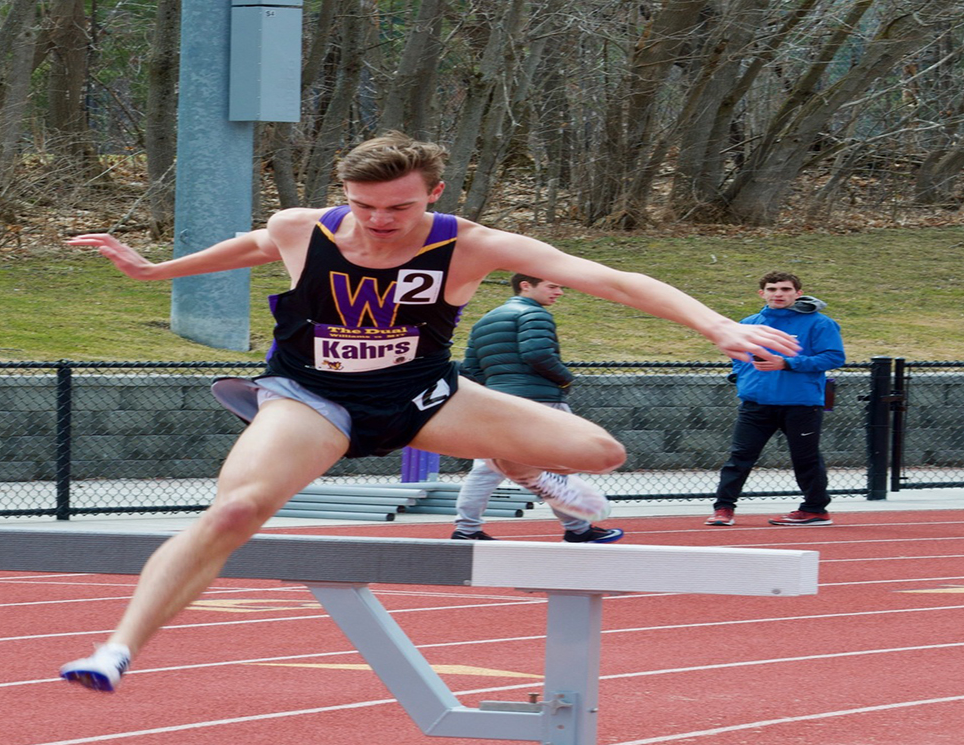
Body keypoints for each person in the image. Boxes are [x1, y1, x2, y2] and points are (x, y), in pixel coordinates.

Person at [60, 133, 798, 693]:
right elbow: (254, 243)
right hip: (312, 400)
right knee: (234, 512)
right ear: (342, 194)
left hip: (425, 397)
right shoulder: (302, 228)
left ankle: (517, 467)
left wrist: (718, 327)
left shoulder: (471, 246)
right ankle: (116, 649)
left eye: (400, 207)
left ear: (434, 195)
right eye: (364, 205)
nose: (380, 221)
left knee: (600, 453)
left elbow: (613, 278)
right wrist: (157, 269)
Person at [452, 275, 624, 544]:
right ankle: (578, 530)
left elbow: (470, 368)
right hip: (540, 401)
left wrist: (497, 391)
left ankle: (466, 529)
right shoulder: (535, 314)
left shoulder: (485, 320)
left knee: (486, 468)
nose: (560, 292)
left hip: (496, 403)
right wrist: (565, 379)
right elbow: (537, 353)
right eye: (552, 286)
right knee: (558, 466)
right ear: (525, 285)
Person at [706, 271, 846, 527]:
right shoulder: (749, 322)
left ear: (797, 293)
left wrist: (787, 363)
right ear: (762, 293)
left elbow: (834, 357)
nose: (778, 294)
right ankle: (724, 509)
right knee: (739, 457)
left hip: (801, 404)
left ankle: (815, 510)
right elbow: (737, 356)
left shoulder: (820, 323)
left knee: (806, 459)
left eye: (784, 289)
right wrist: (741, 377)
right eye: (772, 289)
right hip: (756, 404)